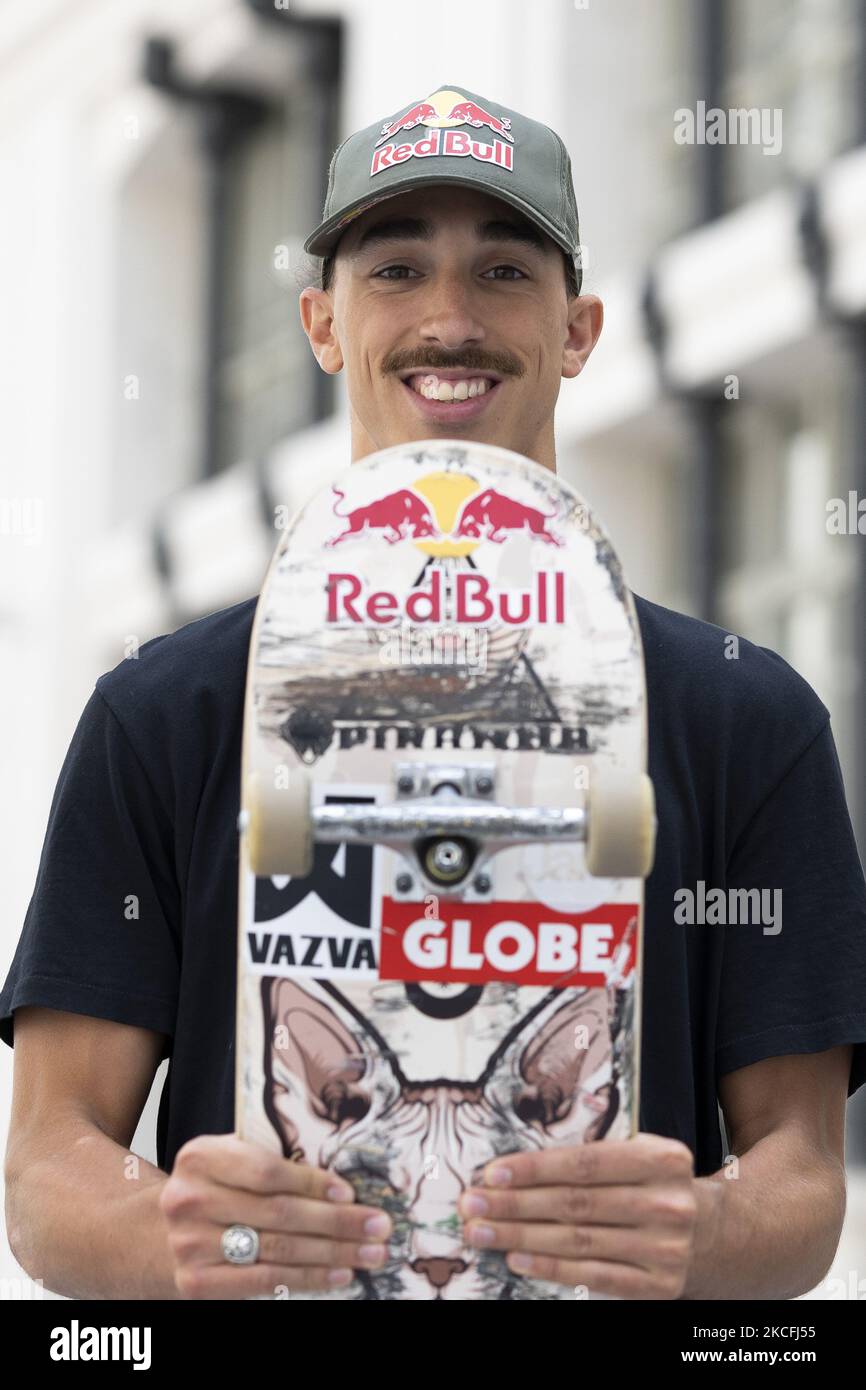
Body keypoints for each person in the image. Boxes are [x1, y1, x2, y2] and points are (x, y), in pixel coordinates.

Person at [3, 84, 866, 1302]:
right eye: (397, 270)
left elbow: (801, 1174)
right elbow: (44, 1165)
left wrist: (702, 1234)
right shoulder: (163, 714)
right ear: (320, 321)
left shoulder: (744, 719)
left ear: (577, 329)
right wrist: (189, 1240)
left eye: (504, 272)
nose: (449, 319)